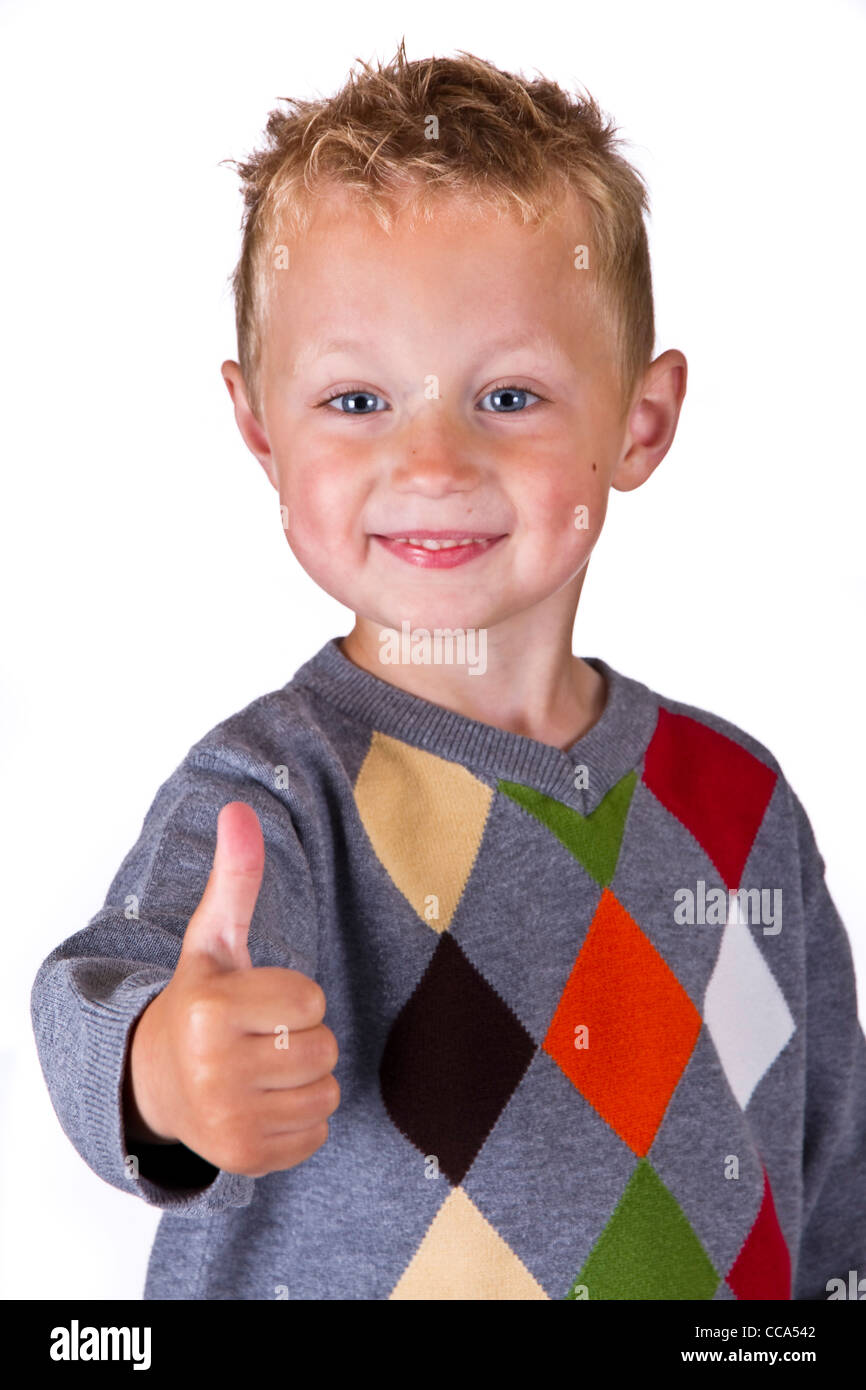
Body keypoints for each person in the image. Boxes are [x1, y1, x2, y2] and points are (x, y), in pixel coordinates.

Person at [30, 41, 866, 1300]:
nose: (430, 459)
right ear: (259, 426)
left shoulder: (739, 803)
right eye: (357, 400)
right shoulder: (278, 789)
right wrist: (165, 1066)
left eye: (510, 394)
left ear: (639, 421)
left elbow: (829, 1175)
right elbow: (111, 985)